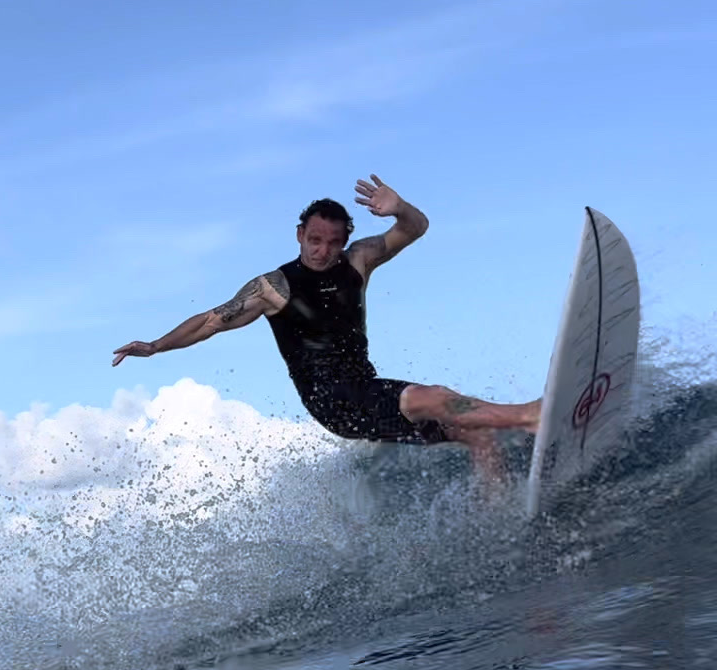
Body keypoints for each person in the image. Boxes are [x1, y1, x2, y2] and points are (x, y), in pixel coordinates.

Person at [110, 175, 540, 483]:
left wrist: (401, 208)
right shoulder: (273, 287)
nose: (323, 250)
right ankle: (529, 416)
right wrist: (155, 346)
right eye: (315, 240)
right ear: (300, 235)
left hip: (366, 391)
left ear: (345, 238)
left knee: (477, 435)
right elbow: (210, 321)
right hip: (331, 401)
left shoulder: (359, 261)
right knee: (434, 397)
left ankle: (501, 523)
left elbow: (415, 228)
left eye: (333, 241)